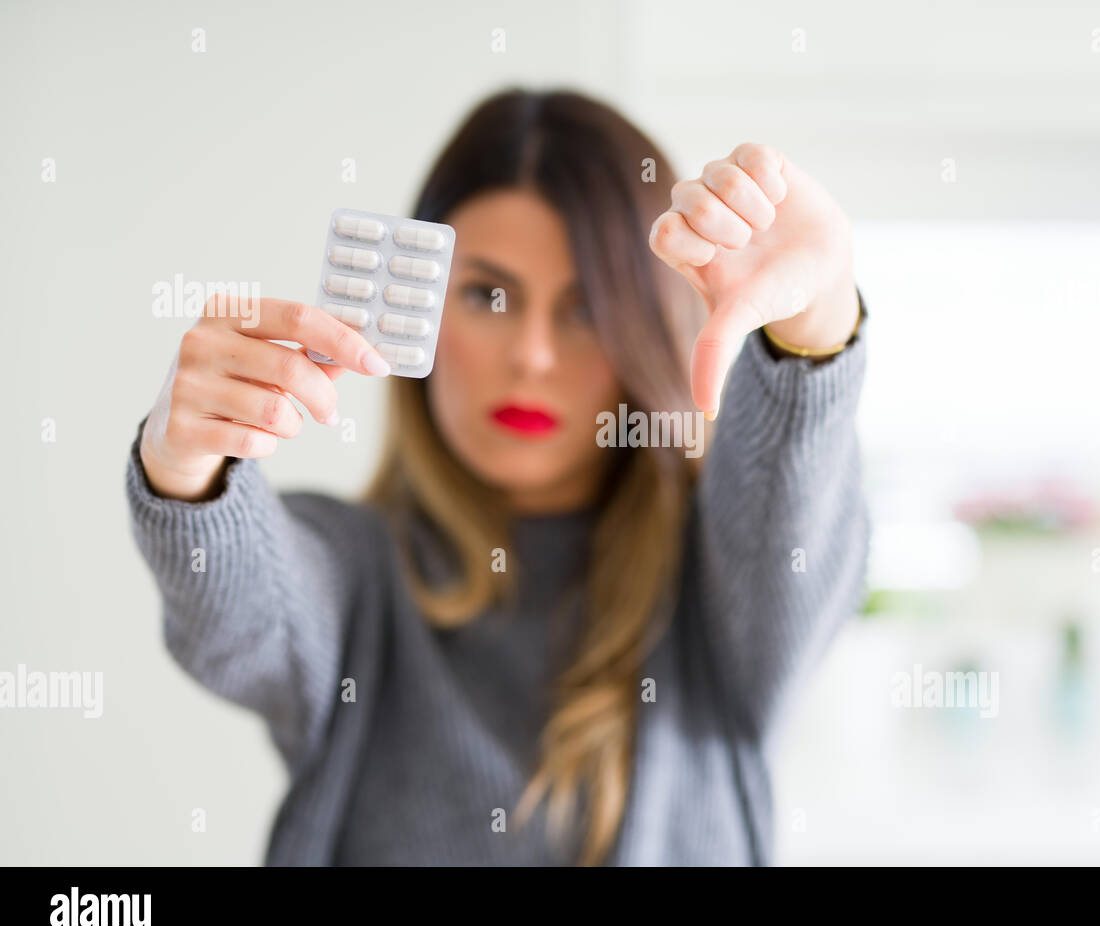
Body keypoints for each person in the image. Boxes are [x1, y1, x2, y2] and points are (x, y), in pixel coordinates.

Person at [126, 88, 870, 865]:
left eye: (586, 308)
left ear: (645, 330)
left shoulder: (718, 582)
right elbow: (245, 611)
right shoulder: (356, 574)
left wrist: (814, 328)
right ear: (419, 306)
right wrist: (187, 469)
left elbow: (789, 528)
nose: (532, 356)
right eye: (487, 295)